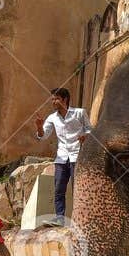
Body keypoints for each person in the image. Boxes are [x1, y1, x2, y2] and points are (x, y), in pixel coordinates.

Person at [35, 87, 90, 223]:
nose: (53, 102)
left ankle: (79, 220)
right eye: (52, 99)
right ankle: (59, 218)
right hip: (61, 157)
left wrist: (85, 136)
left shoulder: (79, 113)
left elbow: (90, 129)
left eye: (56, 99)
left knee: (77, 189)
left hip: (77, 155)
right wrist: (39, 127)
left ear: (64, 99)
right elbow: (43, 136)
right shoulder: (52, 118)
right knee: (59, 189)